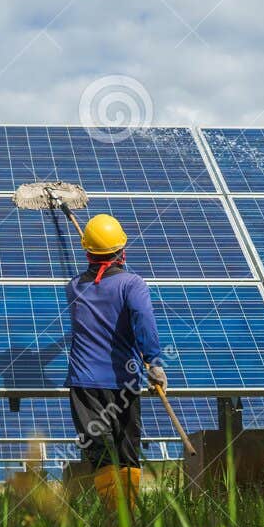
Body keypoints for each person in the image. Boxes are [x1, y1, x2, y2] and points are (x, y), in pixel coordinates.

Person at [66, 212, 167, 510]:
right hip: (123, 383)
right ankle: (127, 515)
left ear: (87, 252)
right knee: (127, 450)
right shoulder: (133, 284)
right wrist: (154, 362)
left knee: (100, 450)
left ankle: (114, 515)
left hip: (84, 384)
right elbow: (143, 320)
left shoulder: (74, 287)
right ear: (123, 251)